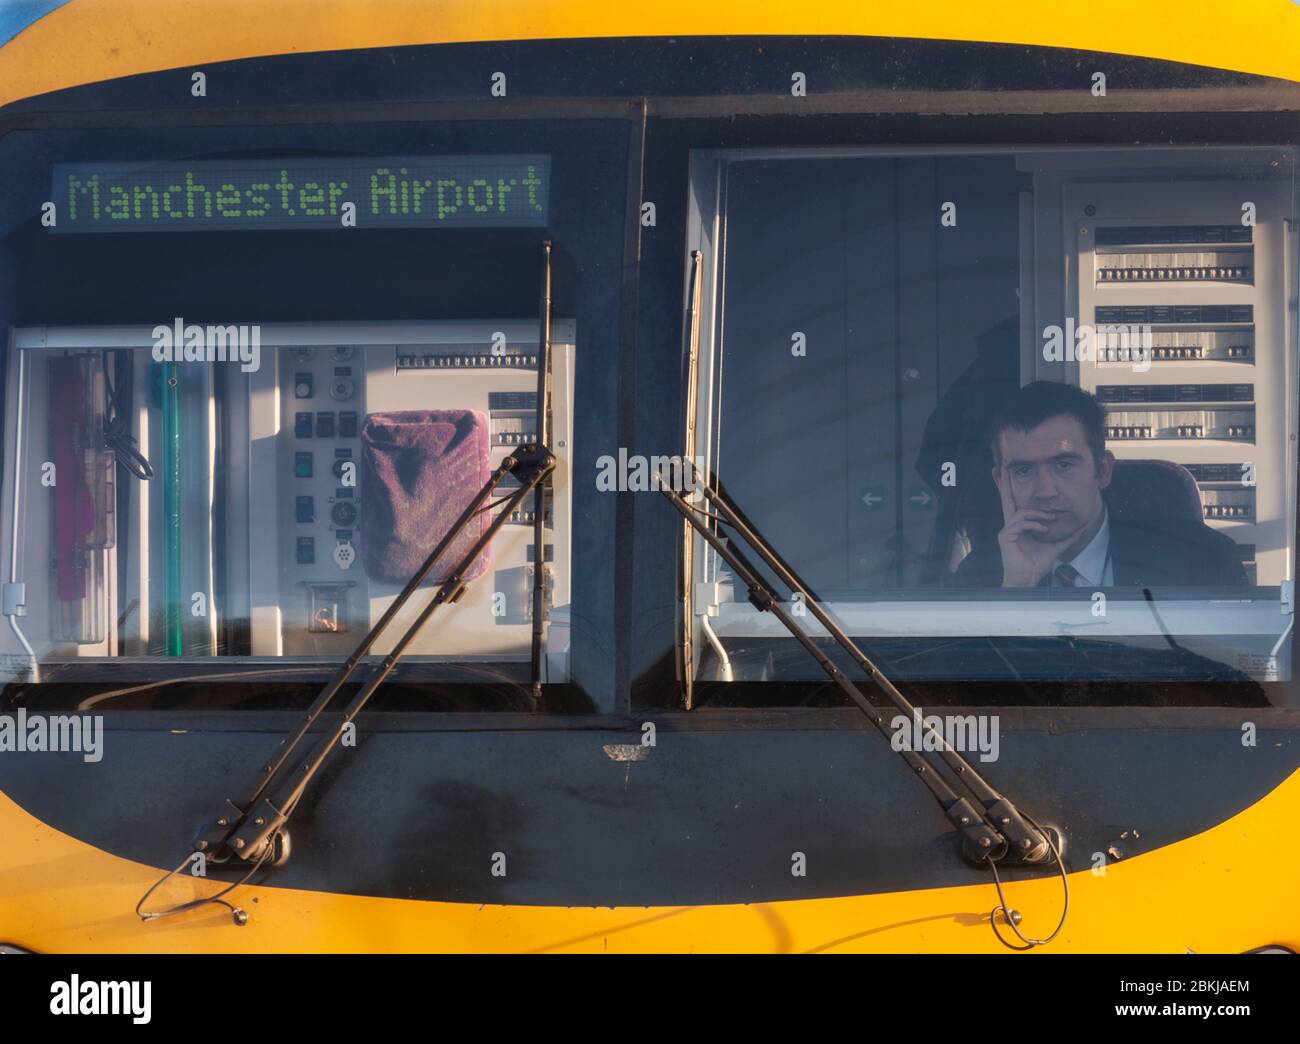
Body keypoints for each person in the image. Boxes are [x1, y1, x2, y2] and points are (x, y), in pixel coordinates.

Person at [953, 381, 1247, 588]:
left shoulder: (1203, 561)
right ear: (1000, 482)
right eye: (1024, 471)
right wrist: (1018, 588)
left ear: (1103, 470)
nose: (1045, 491)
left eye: (1063, 465)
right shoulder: (980, 575)